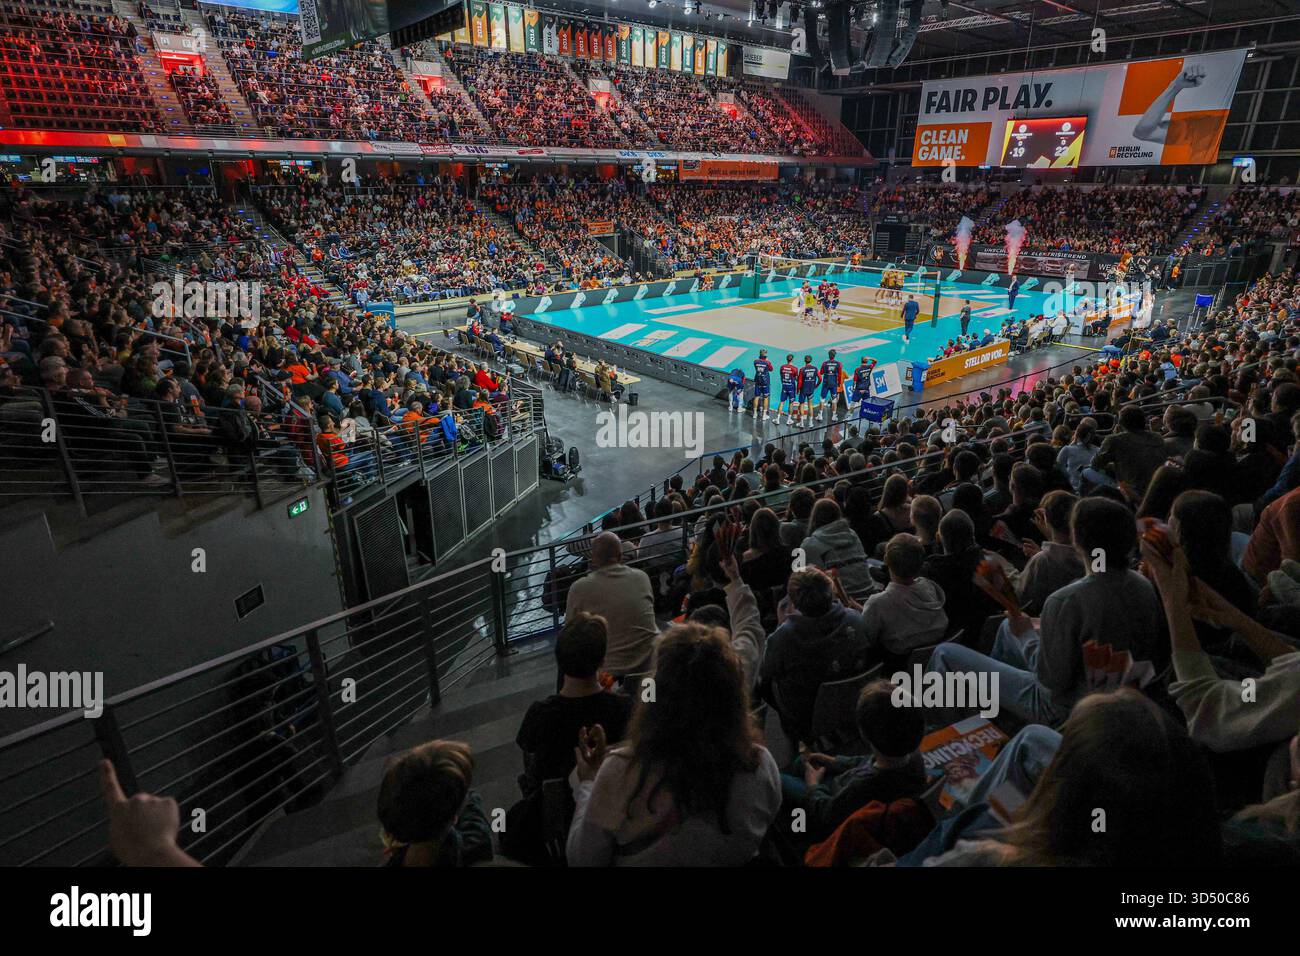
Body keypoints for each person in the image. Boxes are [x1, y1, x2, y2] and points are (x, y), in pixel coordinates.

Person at [565, 623, 781, 866]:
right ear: (733, 695)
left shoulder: (621, 771)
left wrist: (587, 783)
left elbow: (582, 859)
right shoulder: (759, 764)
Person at [782, 679, 928, 842]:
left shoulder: (862, 787)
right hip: (847, 785)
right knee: (802, 762)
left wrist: (813, 785)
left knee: (780, 778)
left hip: (829, 796)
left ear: (864, 736)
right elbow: (867, 761)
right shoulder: (913, 755)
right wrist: (834, 761)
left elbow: (827, 813)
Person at [758, 567, 874, 743]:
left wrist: (781, 625)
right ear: (830, 591)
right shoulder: (855, 618)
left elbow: (767, 669)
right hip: (856, 699)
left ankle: (797, 738)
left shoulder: (784, 637)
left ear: (795, 603)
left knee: (764, 683)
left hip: (808, 712)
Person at [564, 532, 659, 678]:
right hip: (649, 664)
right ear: (620, 556)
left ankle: (568, 697)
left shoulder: (579, 588)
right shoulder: (642, 577)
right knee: (649, 697)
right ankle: (650, 698)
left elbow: (569, 632)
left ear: (593, 560)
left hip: (608, 671)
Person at [861, 533, 948, 664]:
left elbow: (866, 640)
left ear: (885, 560)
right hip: (933, 665)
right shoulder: (929, 586)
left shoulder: (877, 604)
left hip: (898, 670)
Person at [1016, 490, 1084, 616]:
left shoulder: (1041, 562)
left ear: (1045, 518)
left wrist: (1005, 568)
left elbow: (1020, 600)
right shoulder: (1096, 552)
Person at [777, 353, 799, 425]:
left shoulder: (782, 367)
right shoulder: (795, 368)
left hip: (784, 386)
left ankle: (777, 419)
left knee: (782, 402)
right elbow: (796, 379)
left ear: (787, 359)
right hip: (791, 387)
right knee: (791, 403)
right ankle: (789, 420)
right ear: (792, 360)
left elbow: (781, 376)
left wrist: (784, 383)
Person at [751, 349, 773, 421]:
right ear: (765, 355)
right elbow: (771, 369)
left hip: (758, 380)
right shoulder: (767, 362)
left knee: (756, 396)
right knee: (765, 397)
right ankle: (764, 415)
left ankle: (754, 414)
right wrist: (767, 361)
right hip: (765, 382)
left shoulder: (755, 361)